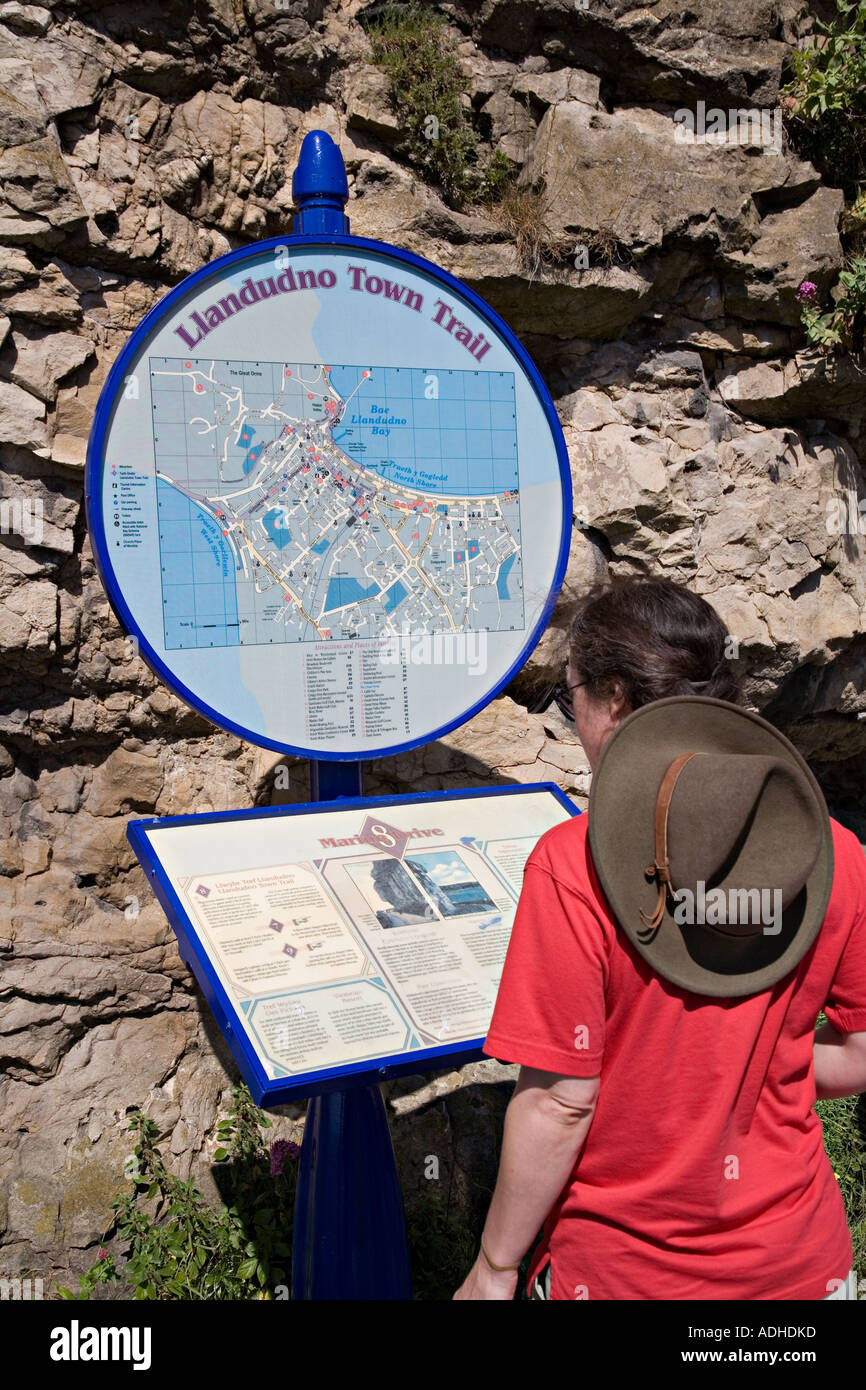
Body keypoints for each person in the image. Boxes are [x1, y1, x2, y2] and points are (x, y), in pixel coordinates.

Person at [453, 577, 866, 1301]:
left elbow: (559, 1103)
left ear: (612, 699)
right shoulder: (833, 856)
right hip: (801, 1265)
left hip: (629, 1274)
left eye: (569, 694)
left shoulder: (573, 864)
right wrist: (774, 1071)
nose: (574, 714)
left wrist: (493, 1267)